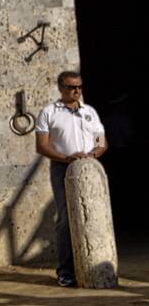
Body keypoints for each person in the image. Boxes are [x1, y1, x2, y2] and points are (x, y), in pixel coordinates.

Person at [34, 71, 107, 287]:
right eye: (72, 87)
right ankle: (66, 271)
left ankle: (97, 266)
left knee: (94, 213)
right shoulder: (48, 112)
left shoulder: (90, 112)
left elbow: (101, 141)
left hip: (90, 167)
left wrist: (90, 156)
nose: (76, 91)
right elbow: (42, 145)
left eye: (79, 87)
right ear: (61, 88)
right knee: (66, 218)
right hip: (62, 168)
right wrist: (67, 158)